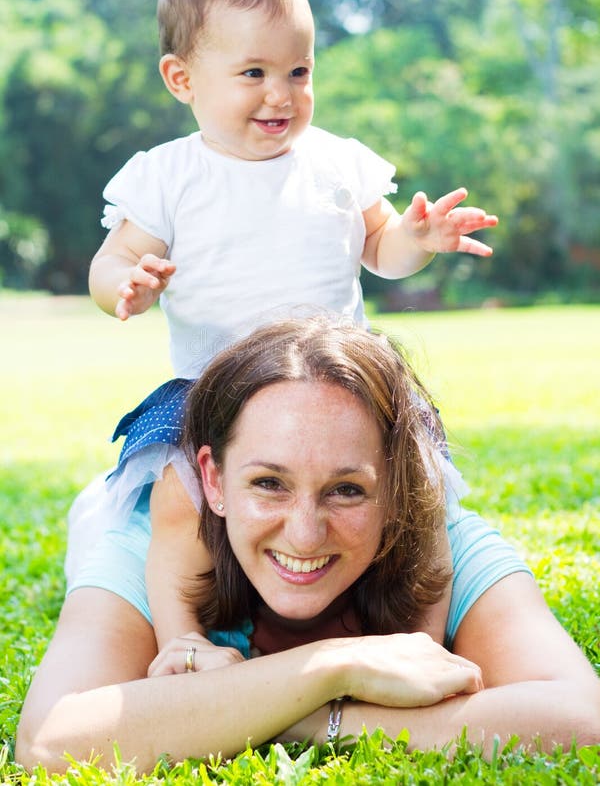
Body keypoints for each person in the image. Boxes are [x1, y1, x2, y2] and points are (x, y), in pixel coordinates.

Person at [86, 0, 497, 655]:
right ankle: (184, 643)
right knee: (180, 505)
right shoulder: (168, 176)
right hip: (213, 392)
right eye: (253, 74)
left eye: (298, 72)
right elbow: (112, 259)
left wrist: (417, 236)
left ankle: (419, 639)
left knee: (419, 488)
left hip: (338, 389)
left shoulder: (336, 162)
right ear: (182, 79)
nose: (281, 94)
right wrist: (127, 284)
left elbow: (381, 251)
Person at [16, 319, 600, 775]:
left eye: (347, 490)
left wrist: (292, 714)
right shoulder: (145, 548)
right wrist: (333, 667)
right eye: (269, 483)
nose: (304, 532)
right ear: (213, 481)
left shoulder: (448, 543)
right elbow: (49, 742)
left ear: (395, 491)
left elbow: (582, 720)